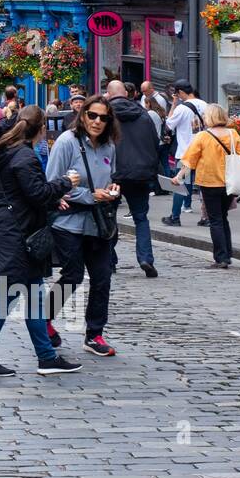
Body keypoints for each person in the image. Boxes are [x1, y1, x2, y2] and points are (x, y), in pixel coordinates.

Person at [0, 106, 83, 377]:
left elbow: (24, 194)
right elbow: (36, 192)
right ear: (41, 128)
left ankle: (46, 357)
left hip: (15, 233)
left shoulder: (12, 151)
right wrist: (65, 183)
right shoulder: (24, 156)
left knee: (34, 298)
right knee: (6, 299)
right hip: (15, 238)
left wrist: (53, 198)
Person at [45, 95, 121, 358]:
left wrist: (112, 189)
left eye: (103, 117)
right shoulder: (67, 142)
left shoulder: (109, 146)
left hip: (98, 223)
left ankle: (94, 334)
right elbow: (53, 184)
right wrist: (90, 195)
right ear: (83, 115)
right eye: (93, 115)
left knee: (102, 278)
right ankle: (44, 321)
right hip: (69, 223)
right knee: (73, 276)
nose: (97, 122)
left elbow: (109, 178)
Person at [174, 104, 240, 268]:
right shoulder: (233, 133)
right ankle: (228, 254)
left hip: (209, 182)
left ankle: (221, 257)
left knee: (215, 219)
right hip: (229, 182)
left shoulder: (202, 136)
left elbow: (189, 160)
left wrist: (179, 177)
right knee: (223, 217)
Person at [106, 80, 161, 277]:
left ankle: (110, 261)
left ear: (108, 94)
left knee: (109, 216)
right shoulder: (144, 115)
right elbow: (155, 144)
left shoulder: (104, 116)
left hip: (113, 176)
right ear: (127, 94)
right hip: (139, 175)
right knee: (141, 218)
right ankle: (146, 258)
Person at [162, 80, 210, 227]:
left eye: (177, 94)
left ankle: (175, 217)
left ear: (181, 92)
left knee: (179, 183)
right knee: (204, 186)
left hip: (185, 154)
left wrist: (174, 104)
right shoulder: (205, 105)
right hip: (203, 151)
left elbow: (168, 124)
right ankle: (206, 217)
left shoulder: (181, 108)